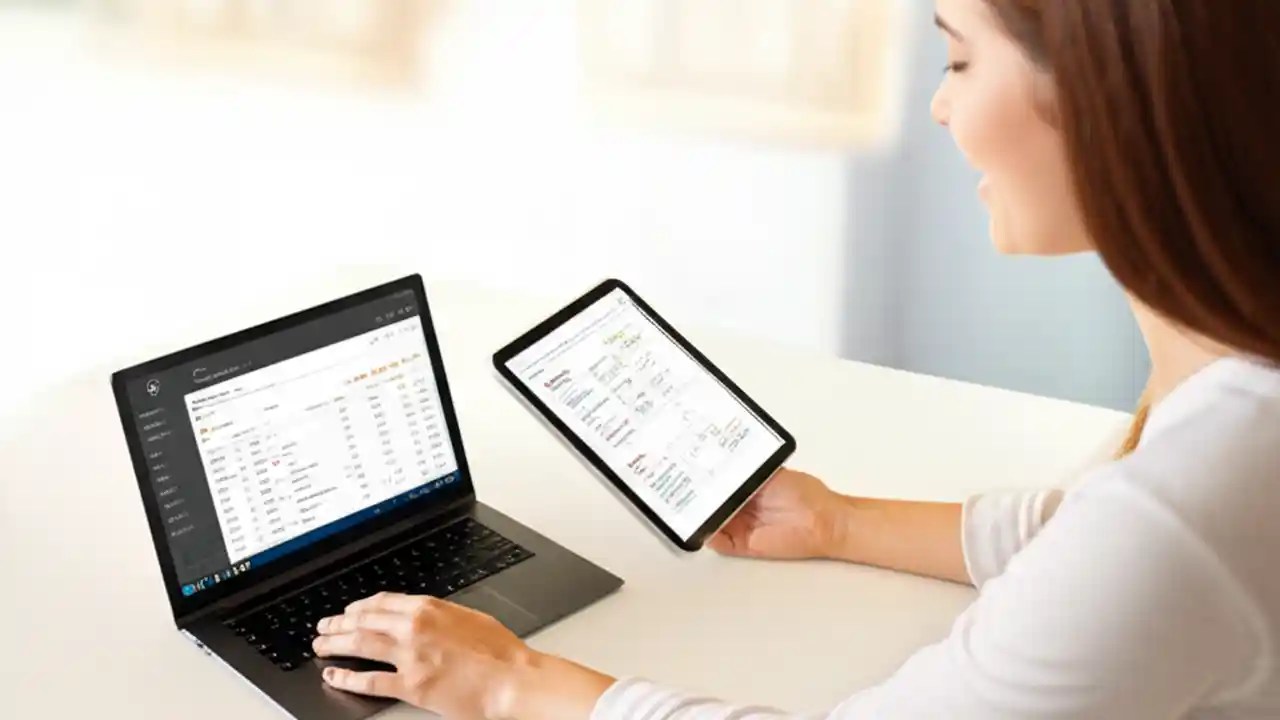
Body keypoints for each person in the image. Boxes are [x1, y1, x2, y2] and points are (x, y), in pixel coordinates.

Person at [309, 0, 1280, 717]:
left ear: (1105, 93)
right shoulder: (1233, 396)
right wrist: (840, 521)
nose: (941, 111)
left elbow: (1135, 554)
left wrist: (508, 684)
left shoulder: (1183, 504)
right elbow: (1083, 543)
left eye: (956, 61)